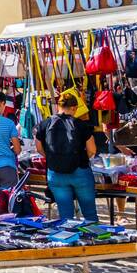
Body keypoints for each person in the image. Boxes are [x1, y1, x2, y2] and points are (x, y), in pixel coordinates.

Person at [35, 92, 98, 221]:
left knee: (65, 216)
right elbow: (92, 150)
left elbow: (39, 148)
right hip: (80, 171)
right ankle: (94, 239)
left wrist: (54, 157)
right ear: (74, 108)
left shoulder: (45, 124)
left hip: (55, 173)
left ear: (58, 106)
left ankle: (68, 239)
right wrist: (81, 158)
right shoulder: (81, 125)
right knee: (89, 214)